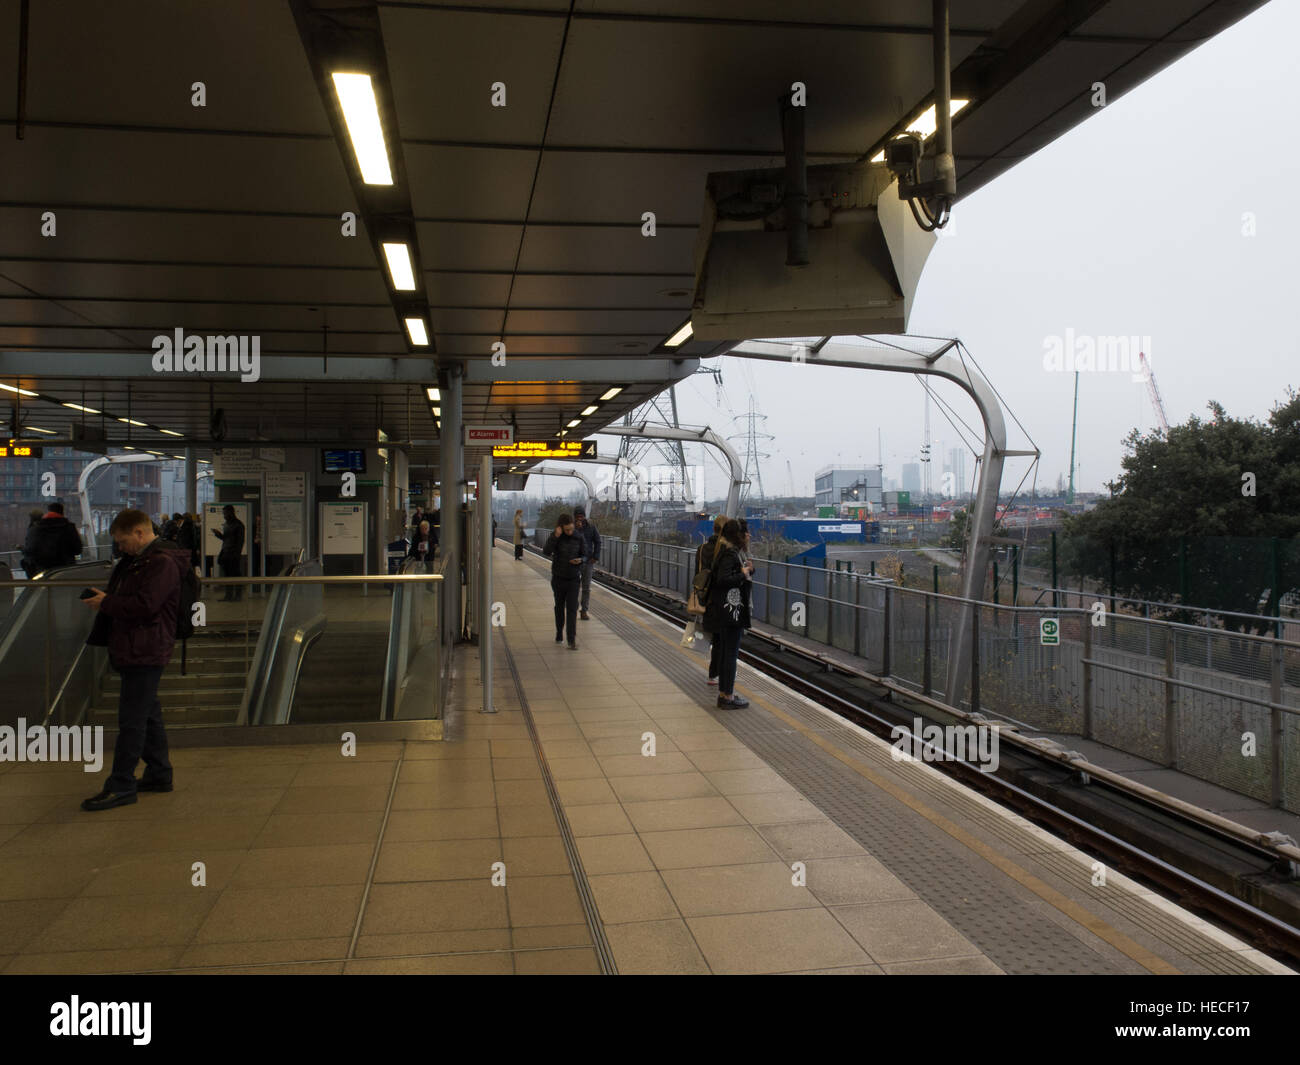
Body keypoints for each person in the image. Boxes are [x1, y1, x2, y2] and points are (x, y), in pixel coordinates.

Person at [79, 508, 189, 810]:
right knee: (147, 714)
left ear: (140, 533)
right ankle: (159, 773)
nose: (120, 546)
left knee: (132, 720)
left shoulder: (161, 562)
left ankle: (122, 784)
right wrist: (108, 600)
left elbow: (147, 605)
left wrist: (107, 603)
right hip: (136, 646)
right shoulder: (140, 561)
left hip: (146, 648)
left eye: (123, 540)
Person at [703, 518, 752, 709]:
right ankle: (727, 696)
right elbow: (724, 579)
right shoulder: (730, 554)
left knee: (725, 652)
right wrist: (744, 573)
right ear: (738, 536)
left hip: (725, 609)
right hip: (731, 611)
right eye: (746, 532)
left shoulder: (727, 552)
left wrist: (747, 570)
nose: (749, 535)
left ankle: (725, 693)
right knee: (730, 654)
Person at [542, 513, 584, 649]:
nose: (570, 532)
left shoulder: (579, 537)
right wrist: (555, 536)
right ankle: (559, 631)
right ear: (561, 528)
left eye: (571, 529)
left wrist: (581, 559)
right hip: (558, 578)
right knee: (559, 607)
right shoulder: (557, 537)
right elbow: (546, 551)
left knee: (572, 608)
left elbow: (585, 553)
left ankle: (571, 640)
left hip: (574, 578)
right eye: (567, 530)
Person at [695, 515, 727, 686]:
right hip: (720, 599)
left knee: (711, 634)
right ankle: (716, 674)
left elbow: (697, 576)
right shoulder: (725, 550)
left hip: (704, 598)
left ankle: (712, 674)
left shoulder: (701, 549)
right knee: (721, 640)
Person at [25, 500, 83, 574]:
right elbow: (78, 550)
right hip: (66, 570)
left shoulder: (35, 528)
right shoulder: (69, 528)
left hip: (43, 571)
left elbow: (31, 550)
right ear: (62, 512)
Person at [572, 505, 601, 620]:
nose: (580, 519)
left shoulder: (591, 526)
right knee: (573, 587)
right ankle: (573, 608)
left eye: (582, 516)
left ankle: (584, 610)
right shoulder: (571, 527)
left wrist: (596, 556)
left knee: (586, 587)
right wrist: (576, 529)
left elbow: (598, 541)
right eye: (578, 517)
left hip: (588, 561)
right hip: (574, 561)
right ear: (574, 517)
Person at [213, 504, 245, 601]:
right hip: (225, 553)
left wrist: (237, 554)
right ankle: (228, 595)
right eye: (223, 513)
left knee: (235, 575)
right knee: (227, 575)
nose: (224, 515)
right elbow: (226, 539)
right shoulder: (227, 524)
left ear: (231, 512)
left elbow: (240, 541)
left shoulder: (238, 525)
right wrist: (219, 535)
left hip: (233, 554)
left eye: (225, 513)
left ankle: (238, 595)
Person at [19, 508, 43, 578]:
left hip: (33, 563)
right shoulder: (45, 527)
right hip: (42, 562)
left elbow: (31, 549)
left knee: (33, 584)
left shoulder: (33, 529)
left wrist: (21, 548)